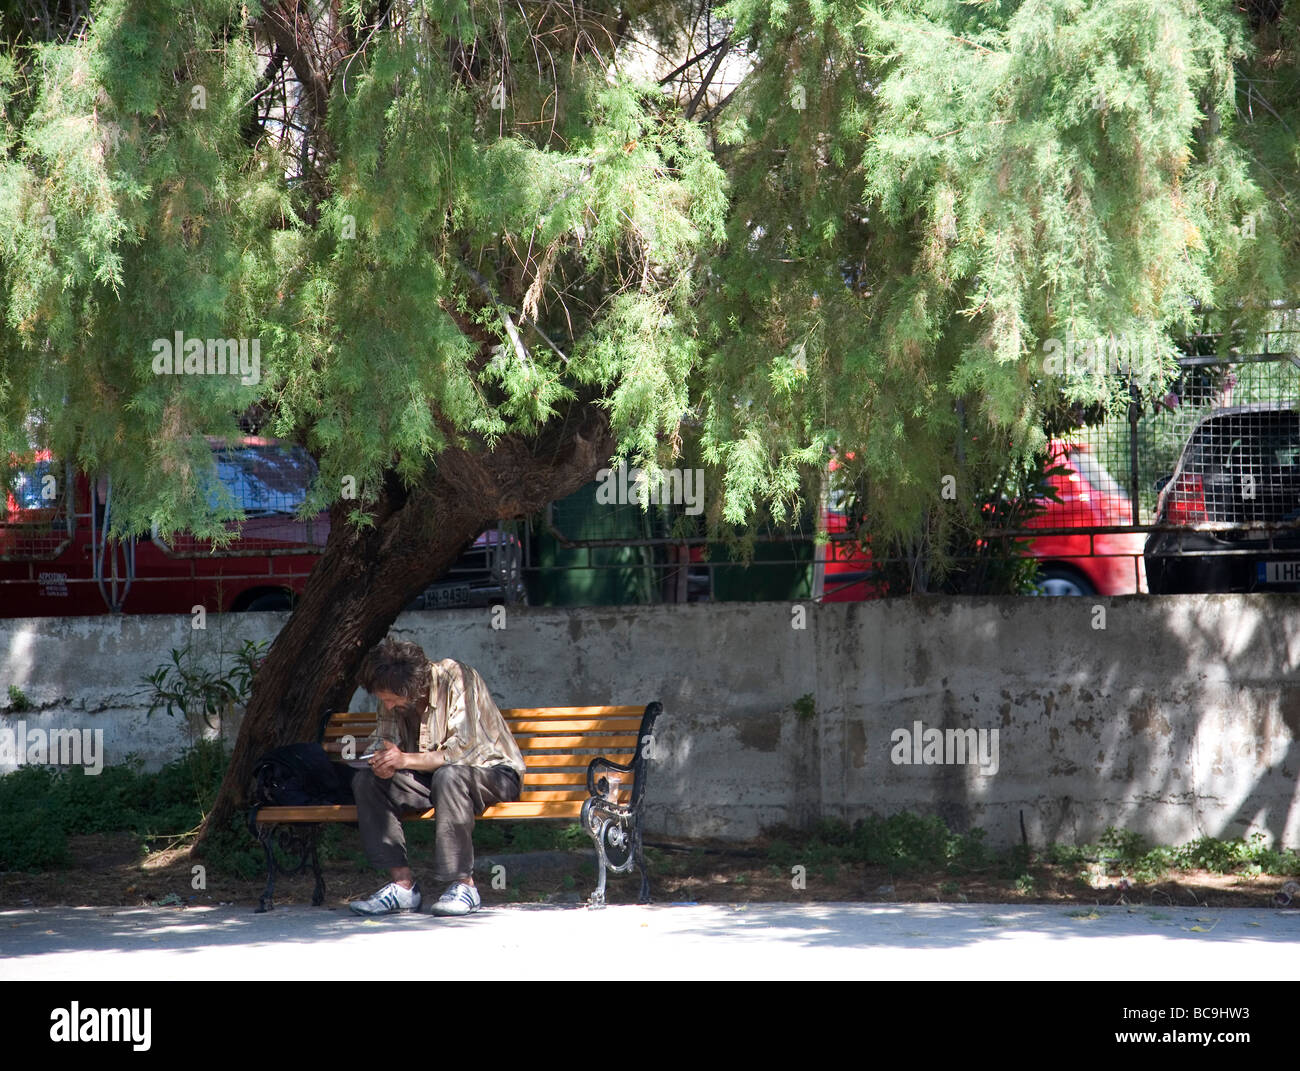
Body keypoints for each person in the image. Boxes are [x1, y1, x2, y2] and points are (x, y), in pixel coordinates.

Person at [347, 638, 524, 917]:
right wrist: (381, 762)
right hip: (432, 777)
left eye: (392, 699)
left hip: (491, 773)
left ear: (412, 687)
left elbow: (460, 752)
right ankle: (402, 886)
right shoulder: (393, 696)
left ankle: (464, 885)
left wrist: (403, 759)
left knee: (449, 776)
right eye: (384, 700)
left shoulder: (458, 678)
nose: (388, 706)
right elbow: (383, 740)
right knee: (368, 782)